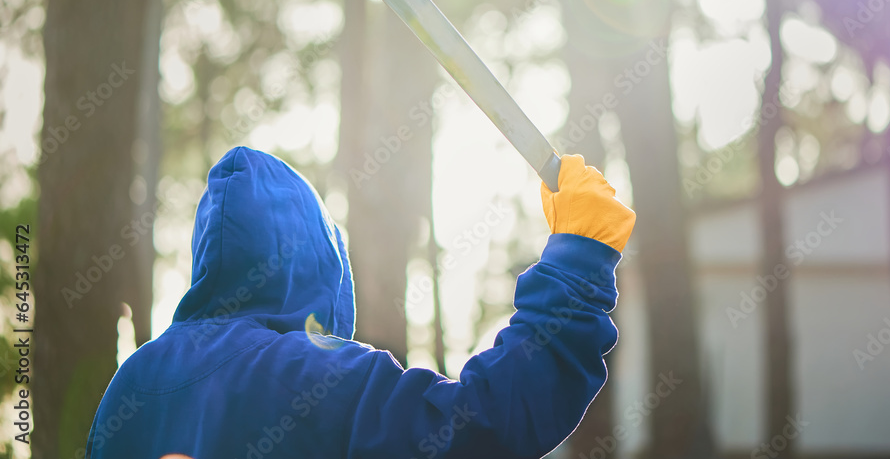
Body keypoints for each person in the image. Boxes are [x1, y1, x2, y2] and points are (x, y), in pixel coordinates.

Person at [88, 146, 635, 458]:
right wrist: (578, 262)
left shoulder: (128, 388)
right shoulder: (304, 373)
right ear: (317, 257)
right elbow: (481, 428)